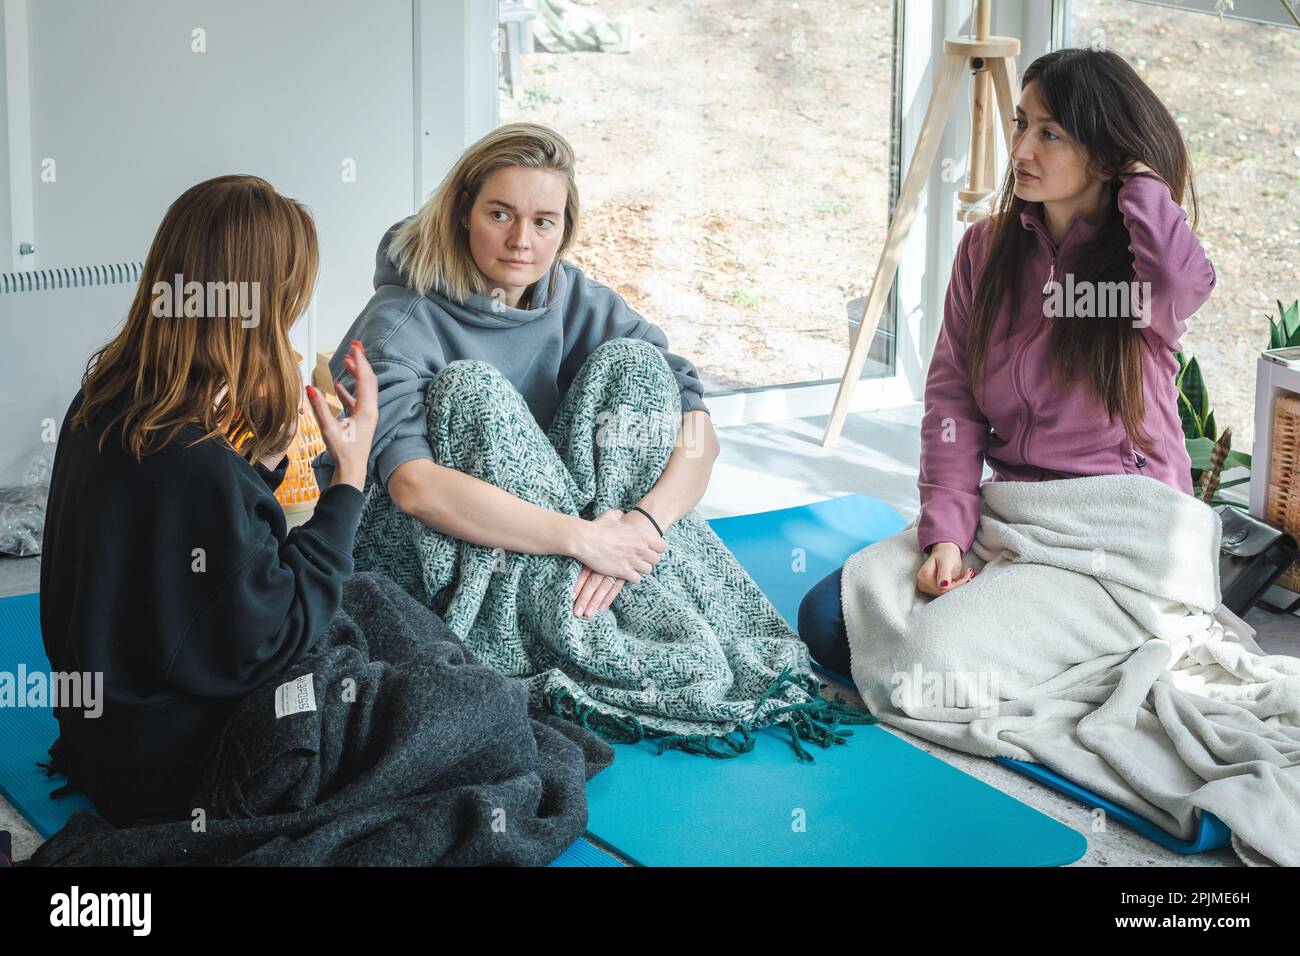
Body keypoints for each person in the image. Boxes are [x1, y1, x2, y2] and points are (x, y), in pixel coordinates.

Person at [798, 48, 1216, 677]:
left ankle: (1104, 634)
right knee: (831, 621)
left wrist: (1139, 178)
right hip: (1013, 512)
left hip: (1118, 528)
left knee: (927, 656)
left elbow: (1186, 285)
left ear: (1106, 152)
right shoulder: (985, 249)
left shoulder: (1143, 267)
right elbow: (953, 405)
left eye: (1050, 133)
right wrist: (947, 531)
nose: (1019, 150)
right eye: (1022, 124)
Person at [39, 174, 378, 826]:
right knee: (432, 687)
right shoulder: (199, 464)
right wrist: (349, 480)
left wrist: (262, 469)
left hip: (98, 735)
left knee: (372, 613)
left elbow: (173, 559)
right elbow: (269, 638)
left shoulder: (104, 401)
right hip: (174, 772)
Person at [314, 122, 719, 618]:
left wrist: (643, 525)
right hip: (421, 550)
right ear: (464, 211)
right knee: (471, 389)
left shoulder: (571, 296)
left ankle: (612, 590)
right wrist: (584, 539)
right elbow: (412, 486)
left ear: (564, 228)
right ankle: (586, 615)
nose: (520, 241)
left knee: (637, 364)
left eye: (543, 221)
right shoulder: (399, 322)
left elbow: (695, 422)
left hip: (578, 539)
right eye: (501, 214)